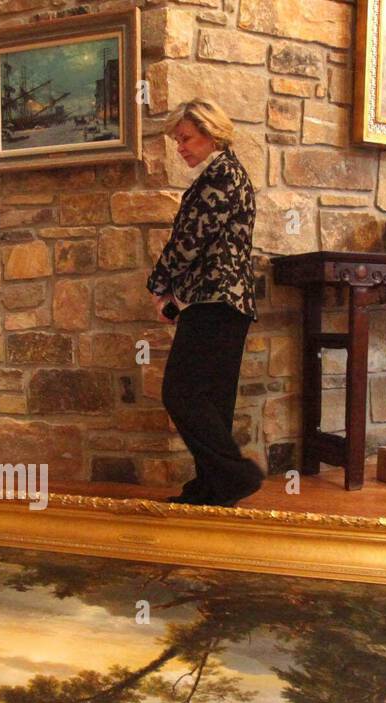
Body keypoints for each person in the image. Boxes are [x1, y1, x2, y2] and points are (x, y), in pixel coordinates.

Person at [146, 99, 262, 507]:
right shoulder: (225, 173)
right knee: (212, 402)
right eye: (178, 140)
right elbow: (206, 244)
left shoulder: (221, 175)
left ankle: (236, 476)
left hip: (217, 301)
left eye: (185, 138)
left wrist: (159, 284)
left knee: (181, 393)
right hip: (225, 301)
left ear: (211, 133)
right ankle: (213, 488)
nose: (180, 147)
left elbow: (189, 242)